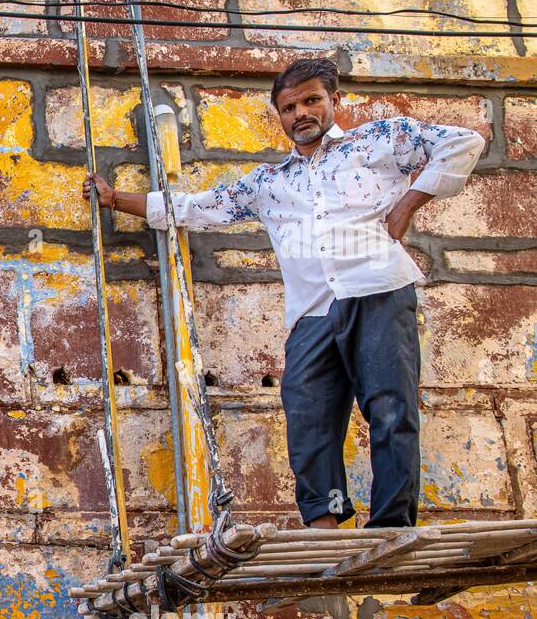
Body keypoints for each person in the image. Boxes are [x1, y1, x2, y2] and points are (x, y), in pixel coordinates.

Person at [82, 57, 486, 529]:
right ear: (280, 116)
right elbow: (197, 207)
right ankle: (325, 526)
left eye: (312, 100)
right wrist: (116, 200)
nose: (301, 113)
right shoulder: (271, 182)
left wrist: (408, 206)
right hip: (311, 315)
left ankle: (392, 525)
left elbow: (464, 142)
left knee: (389, 407)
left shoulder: (377, 141)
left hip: (377, 290)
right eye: (289, 107)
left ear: (335, 100)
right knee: (306, 417)